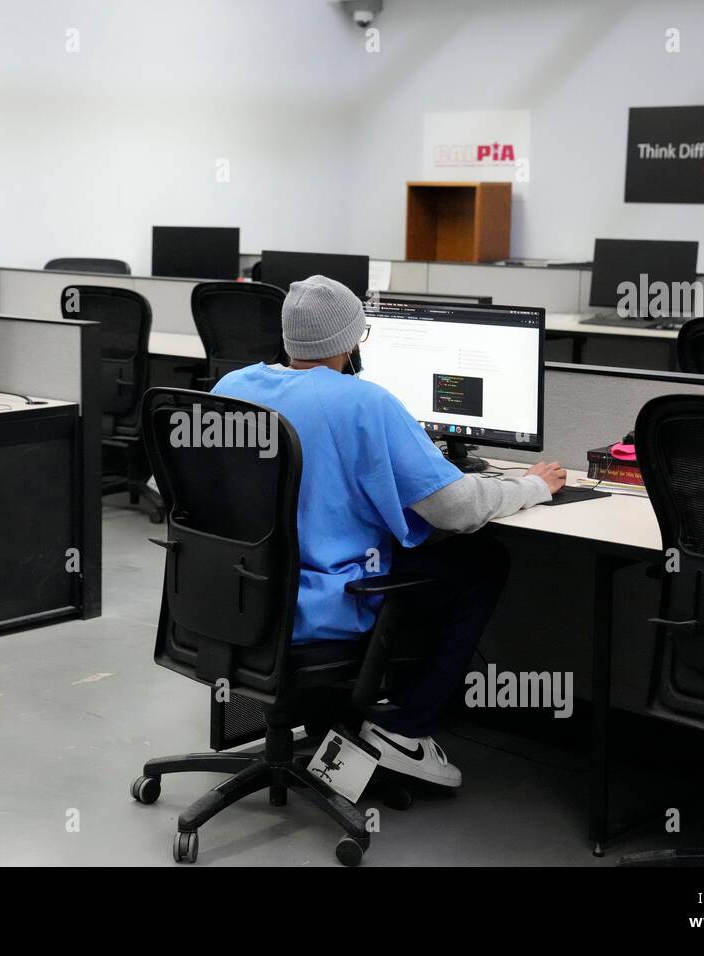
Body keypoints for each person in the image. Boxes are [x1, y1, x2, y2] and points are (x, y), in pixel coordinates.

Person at [212, 275, 567, 788]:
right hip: (323, 600)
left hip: (239, 594)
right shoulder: (364, 402)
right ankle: (402, 728)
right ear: (351, 341)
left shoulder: (233, 386)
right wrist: (532, 485)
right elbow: (458, 510)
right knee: (481, 560)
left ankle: (343, 712)